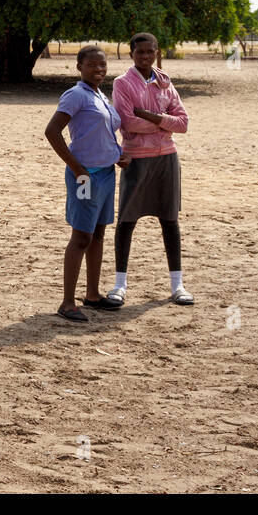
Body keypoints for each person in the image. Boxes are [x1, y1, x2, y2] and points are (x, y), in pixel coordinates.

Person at [44, 47, 130, 322]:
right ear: (78, 66)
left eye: (102, 65)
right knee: (81, 237)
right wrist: (78, 169)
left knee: (99, 235)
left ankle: (92, 294)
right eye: (92, 65)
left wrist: (117, 156)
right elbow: (52, 131)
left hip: (106, 175)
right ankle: (67, 302)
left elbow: (100, 134)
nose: (98, 70)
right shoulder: (76, 95)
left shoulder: (101, 96)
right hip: (85, 177)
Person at [108, 33, 193, 306]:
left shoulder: (165, 83)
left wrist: (151, 116)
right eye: (140, 52)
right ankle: (119, 285)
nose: (145, 56)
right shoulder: (122, 83)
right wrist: (163, 122)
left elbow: (183, 123)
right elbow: (127, 123)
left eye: (150, 52)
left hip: (167, 157)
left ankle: (177, 285)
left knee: (170, 220)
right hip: (136, 158)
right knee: (126, 220)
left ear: (157, 52)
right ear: (131, 53)